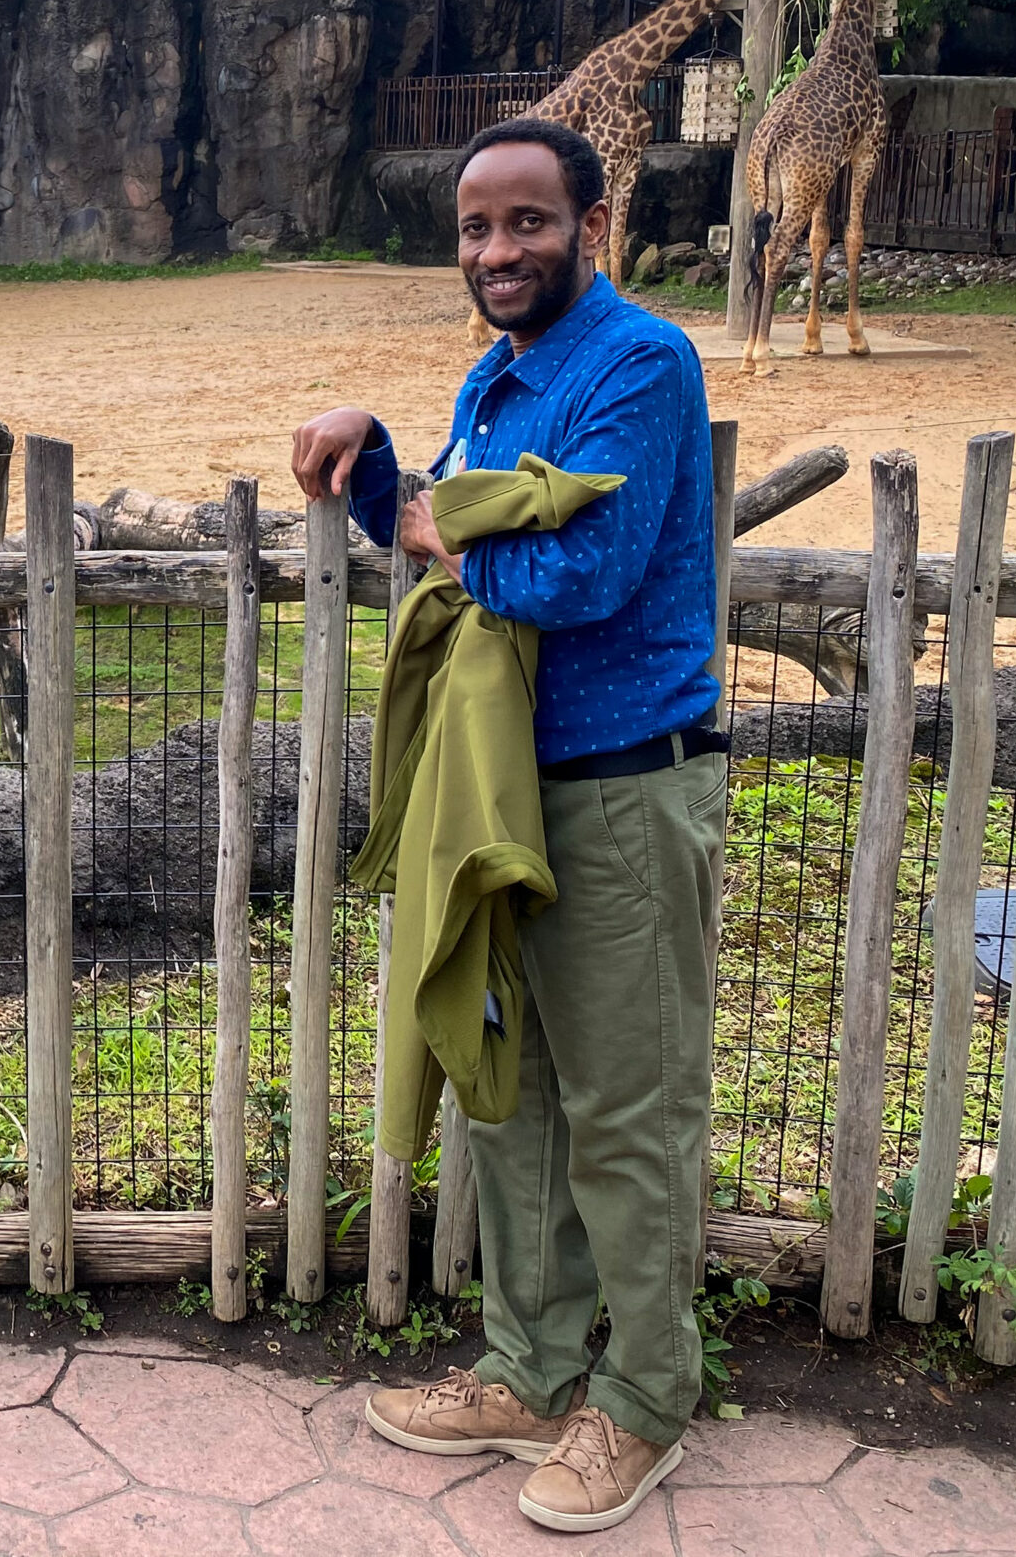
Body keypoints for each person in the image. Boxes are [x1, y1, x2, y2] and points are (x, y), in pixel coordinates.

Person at [291, 116, 725, 1535]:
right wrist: (378, 465)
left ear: (591, 222)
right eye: (477, 228)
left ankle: (649, 1398)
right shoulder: (500, 377)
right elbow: (456, 537)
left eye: (528, 221)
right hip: (509, 792)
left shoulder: (642, 364)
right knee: (519, 1094)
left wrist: (432, 523)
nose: (498, 250)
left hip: (622, 788)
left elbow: (581, 567)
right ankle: (534, 1370)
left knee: (630, 1112)